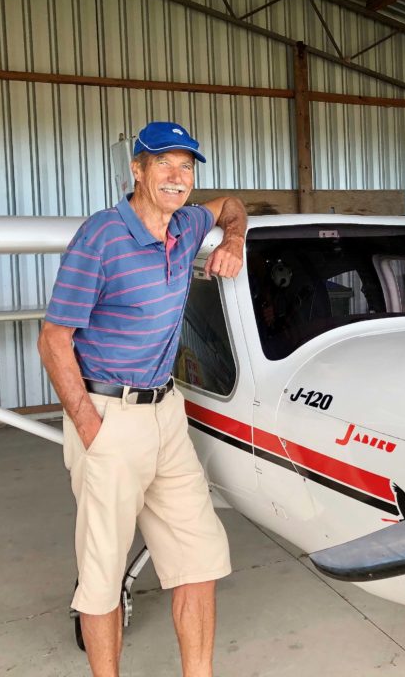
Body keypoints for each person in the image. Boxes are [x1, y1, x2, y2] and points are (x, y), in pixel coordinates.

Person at [38, 121, 248, 677]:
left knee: (198, 560)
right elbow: (54, 337)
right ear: (137, 169)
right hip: (109, 415)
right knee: (102, 575)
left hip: (167, 415)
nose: (178, 177)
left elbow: (231, 205)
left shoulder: (187, 221)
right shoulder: (102, 237)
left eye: (187, 166)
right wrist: (89, 425)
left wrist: (234, 239)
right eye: (164, 164)